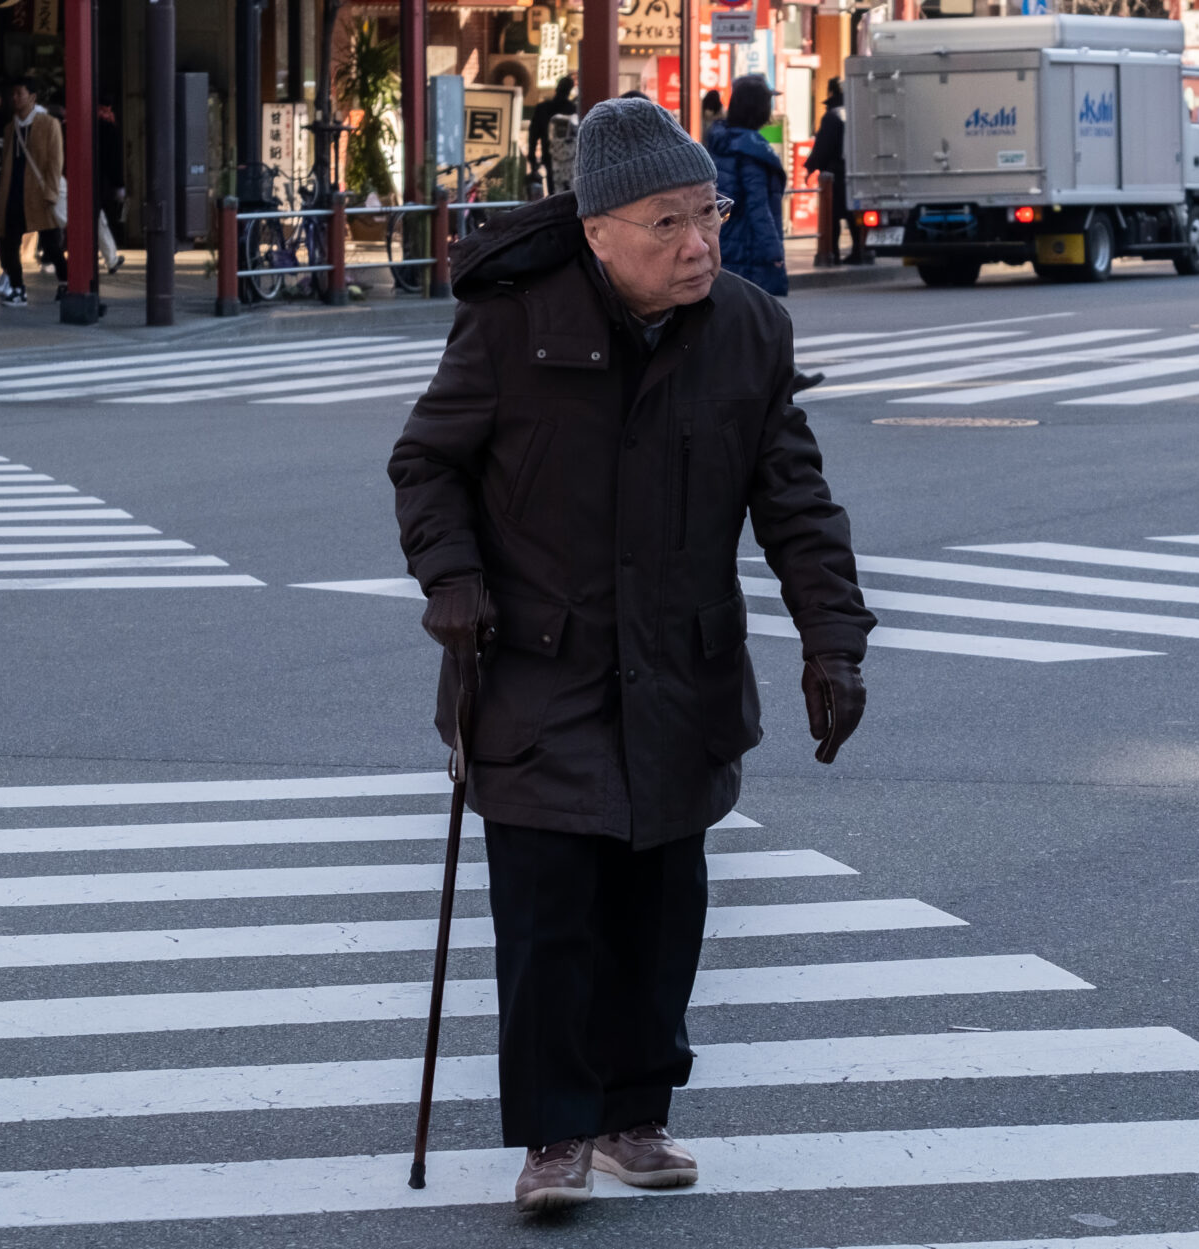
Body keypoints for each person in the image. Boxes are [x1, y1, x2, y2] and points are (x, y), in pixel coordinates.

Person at [388, 94, 874, 1213]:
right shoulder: (512, 323)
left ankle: (631, 1112)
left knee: (661, 908)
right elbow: (426, 465)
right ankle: (554, 1134)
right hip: (533, 661)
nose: (698, 241)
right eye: (666, 222)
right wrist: (452, 582)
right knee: (551, 912)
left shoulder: (749, 329)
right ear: (598, 230)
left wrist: (832, 646)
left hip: (679, 667)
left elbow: (796, 505)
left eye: (705, 214)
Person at [706, 75, 787, 296]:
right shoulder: (752, 151)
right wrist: (774, 253)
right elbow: (758, 207)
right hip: (749, 249)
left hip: (723, 241)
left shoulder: (719, 142)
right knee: (752, 318)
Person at [0, 77, 64, 307]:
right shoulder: (11, 127)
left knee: (51, 244)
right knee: (8, 242)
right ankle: (17, 287)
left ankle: (66, 281)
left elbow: (55, 161)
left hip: (39, 193)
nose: (15, 98)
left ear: (32, 97)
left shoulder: (48, 123)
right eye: (12, 94)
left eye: (19, 93)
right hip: (14, 192)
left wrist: (51, 192)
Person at [802, 77, 865, 264]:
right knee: (856, 214)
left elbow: (823, 146)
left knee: (833, 215)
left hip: (836, 173)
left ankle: (833, 252)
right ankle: (860, 251)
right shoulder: (857, 112)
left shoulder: (833, 116)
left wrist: (811, 167)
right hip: (858, 171)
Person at [529, 76, 576, 194]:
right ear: (569, 91)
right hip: (569, 158)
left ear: (556, 89)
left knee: (552, 192)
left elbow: (533, 136)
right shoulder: (573, 109)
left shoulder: (542, 108)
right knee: (569, 194)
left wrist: (532, 158)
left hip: (549, 155)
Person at [95, 103, 126, 273]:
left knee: (98, 220)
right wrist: (119, 184)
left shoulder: (82, 126)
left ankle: (111, 258)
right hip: (103, 183)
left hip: (87, 180)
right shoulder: (109, 128)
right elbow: (115, 160)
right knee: (99, 219)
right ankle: (111, 259)